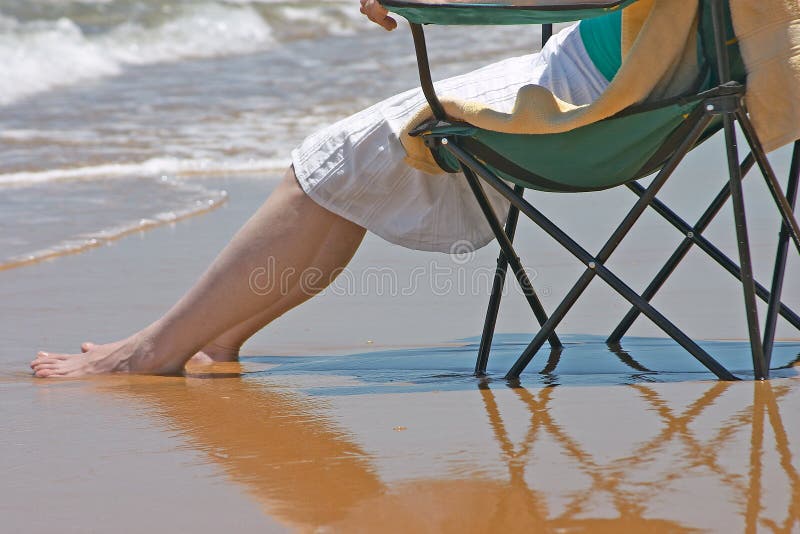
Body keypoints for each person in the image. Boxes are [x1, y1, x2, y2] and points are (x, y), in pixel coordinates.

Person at [30, 0, 621, 377]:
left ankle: (151, 354)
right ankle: (217, 335)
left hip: (583, 88)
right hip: (641, 88)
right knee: (349, 169)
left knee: (332, 160)